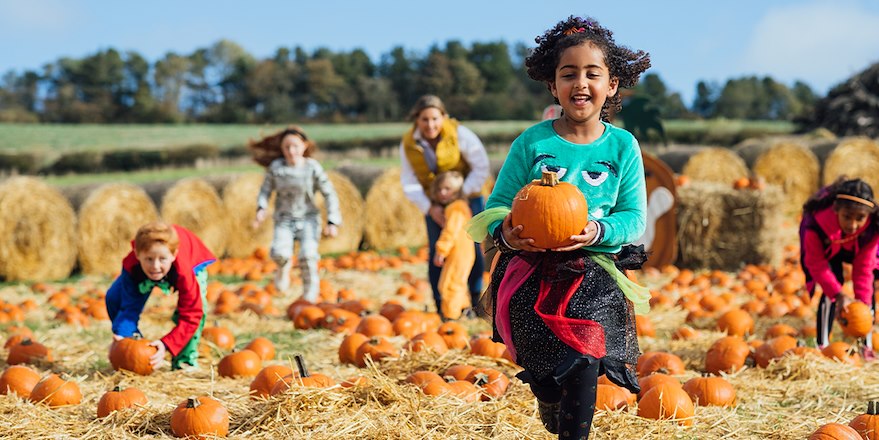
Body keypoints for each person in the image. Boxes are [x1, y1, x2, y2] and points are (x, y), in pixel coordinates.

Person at [467, 16, 651, 438]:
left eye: (592, 73)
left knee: (585, 357)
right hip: (532, 269)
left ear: (612, 84)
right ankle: (548, 394)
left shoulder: (622, 145)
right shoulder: (532, 143)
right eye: (568, 74)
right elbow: (496, 207)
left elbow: (633, 217)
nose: (580, 83)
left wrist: (600, 231)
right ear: (553, 86)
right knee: (546, 366)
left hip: (594, 272)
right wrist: (507, 233)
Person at [399, 94, 490, 319]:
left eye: (434, 119)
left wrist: (458, 198)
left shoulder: (461, 134)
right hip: (433, 203)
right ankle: (443, 307)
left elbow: (481, 167)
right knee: (437, 250)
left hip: (467, 196)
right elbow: (409, 180)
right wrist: (431, 208)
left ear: (444, 117)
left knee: (471, 249)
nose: (430, 125)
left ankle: (475, 301)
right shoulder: (409, 144)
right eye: (424, 120)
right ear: (416, 120)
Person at [105, 221, 216, 370]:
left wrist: (167, 344)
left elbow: (192, 314)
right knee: (114, 297)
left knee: (196, 309)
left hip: (192, 262)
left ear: (173, 255)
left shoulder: (184, 271)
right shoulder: (132, 266)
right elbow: (129, 306)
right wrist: (124, 336)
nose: (155, 266)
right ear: (137, 254)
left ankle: (184, 361)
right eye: (149, 259)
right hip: (143, 270)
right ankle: (135, 340)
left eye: (162, 259)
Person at [251, 126, 341, 302]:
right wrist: (261, 209)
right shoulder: (276, 168)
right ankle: (283, 269)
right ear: (282, 149)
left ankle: (310, 297)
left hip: (309, 219)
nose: (291, 151)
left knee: (308, 257)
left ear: (305, 146)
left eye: (295, 146)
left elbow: (329, 193)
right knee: (279, 253)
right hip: (284, 219)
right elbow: (265, 191)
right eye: (287, 147)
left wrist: (332, 221)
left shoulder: (312, 167)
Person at [800, 177, 879, 357]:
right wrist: (838, 294)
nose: (853, 225)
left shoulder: (872, 228)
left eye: (860, 218)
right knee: (833, 283)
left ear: (869, 215)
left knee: (868, 290)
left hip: (857, 246)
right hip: (829, 245)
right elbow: (816, 264)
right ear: (836, 210)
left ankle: (865, 345)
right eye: (847, 217)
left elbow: (864, 268)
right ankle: (823, 344)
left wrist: (863, 302)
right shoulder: (816, 224)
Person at [431, 171, 476, 320]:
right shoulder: (461, 206)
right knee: (459, 282)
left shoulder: (455, 208)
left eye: (447, 189)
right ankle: (464, 309)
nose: (442, 192)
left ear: (457, 191)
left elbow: (450, 231)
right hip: (464, 252)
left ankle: (451, 317)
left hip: (458, 253)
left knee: (449, 284)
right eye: (439, 189)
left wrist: (441, 250)